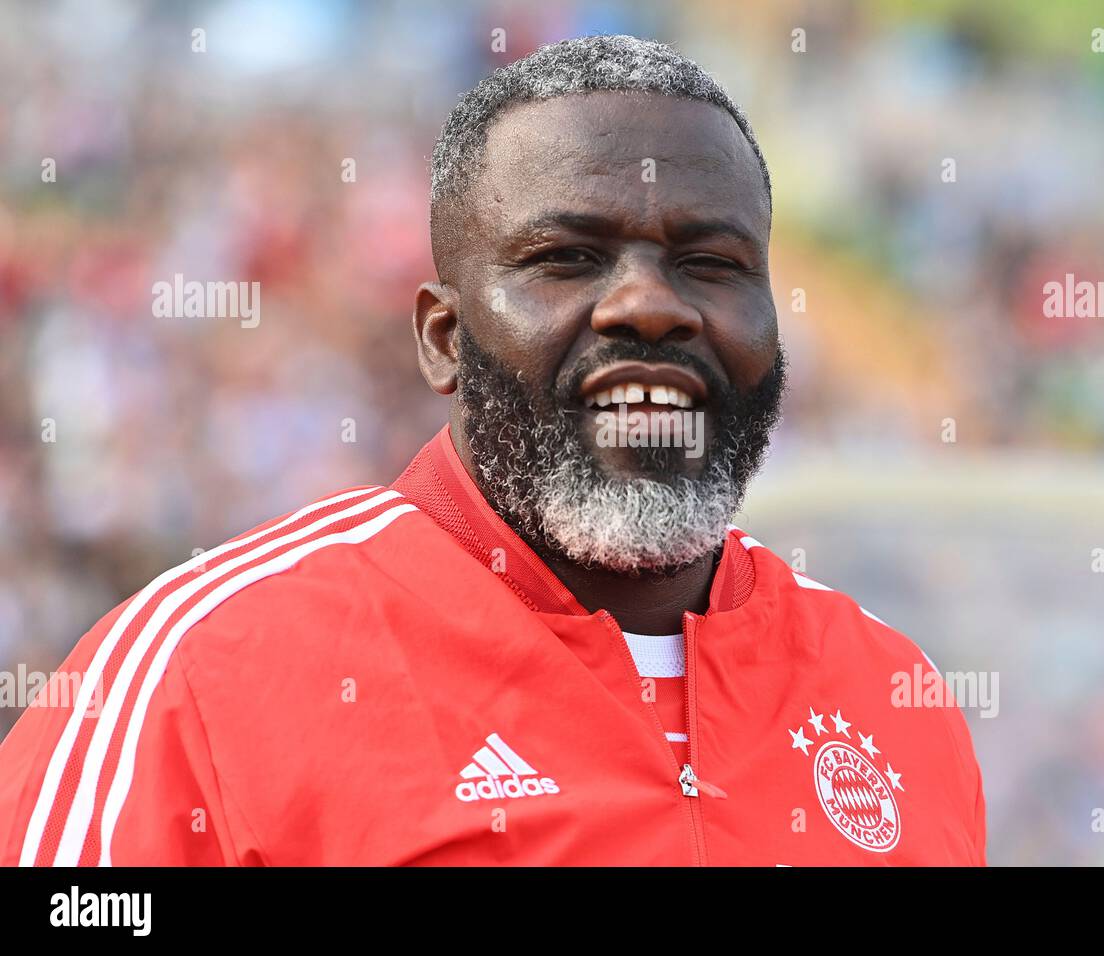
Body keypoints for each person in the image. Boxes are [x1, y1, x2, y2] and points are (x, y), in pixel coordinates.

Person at [0, 34, 984, 866]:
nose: (649, 304)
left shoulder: (892, 692)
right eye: (567, 257)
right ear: (442, 337)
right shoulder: (201, 673)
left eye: (710, 263)